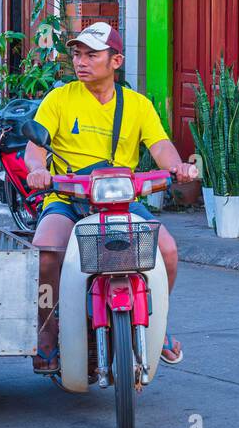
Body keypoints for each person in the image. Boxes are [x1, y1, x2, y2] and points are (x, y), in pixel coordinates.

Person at [24, 21, 198, 374]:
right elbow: (35, 149)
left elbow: (160, 146)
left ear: (115, 61)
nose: (81, 61)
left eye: (92, 55)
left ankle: (158, 322)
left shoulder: (137, 105)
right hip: (67, 196)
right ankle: (46, 332)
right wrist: (38, 170)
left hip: (120, 199)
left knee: (166, 249)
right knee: (46, 251)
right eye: (77, 54)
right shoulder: (59, 99)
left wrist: (178, 167)